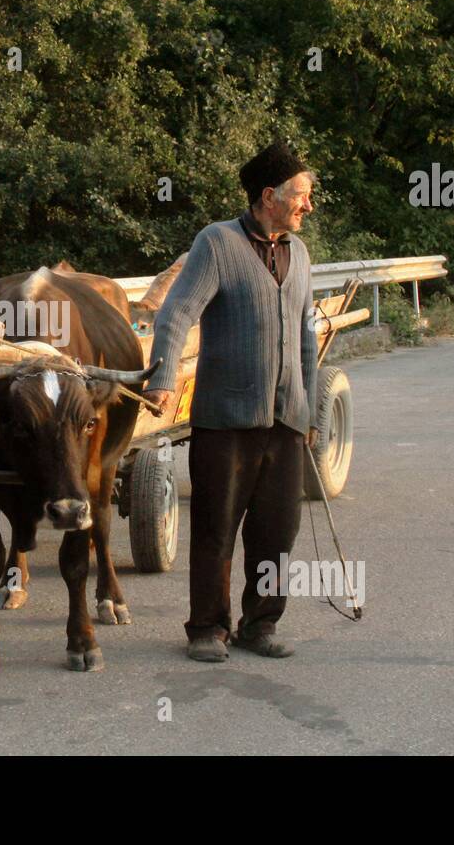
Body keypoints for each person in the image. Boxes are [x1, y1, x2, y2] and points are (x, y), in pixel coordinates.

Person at [142, 140, 319, 661]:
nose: (309, 205)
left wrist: (307, 412)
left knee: (277, 532)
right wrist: (162, 377)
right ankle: (207, 628)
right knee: (216, 528)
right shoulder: (217, 244)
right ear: (270, 196)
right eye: (302, 195)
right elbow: (177, 313)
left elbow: (307, 336)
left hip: (285, 421)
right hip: (227, 421)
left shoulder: (300, 253)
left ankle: (259, 625)